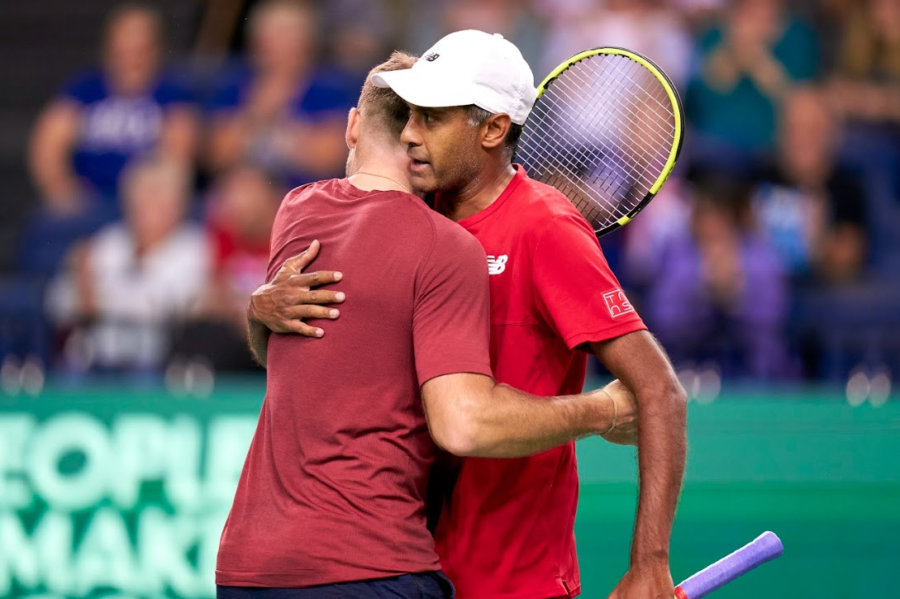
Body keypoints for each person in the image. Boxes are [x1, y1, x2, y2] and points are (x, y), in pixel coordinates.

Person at [253, 30, 687, 599]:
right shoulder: (411, 213)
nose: (410, 133)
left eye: (432, 119)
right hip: (402, 567)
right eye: (411, 114)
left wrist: (650, 564)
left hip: (514, 579)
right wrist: (261, 307)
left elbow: (660, 391)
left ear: (493, 129)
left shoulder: (546, 228)